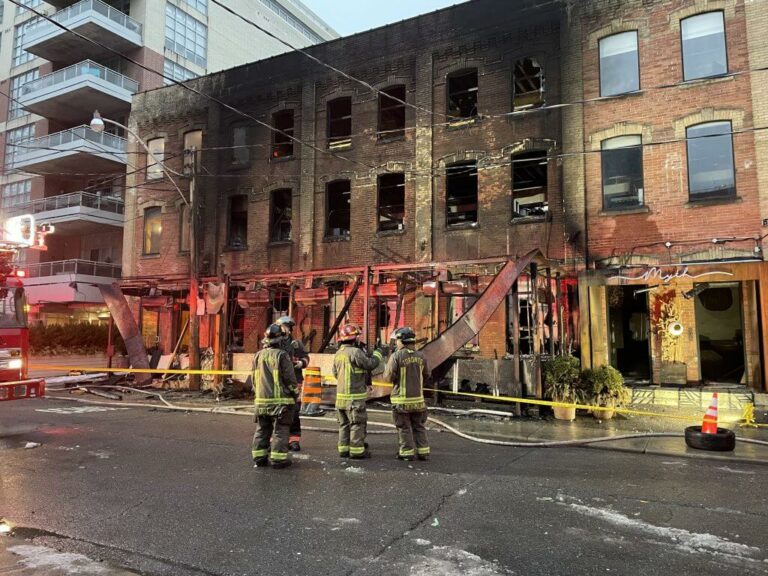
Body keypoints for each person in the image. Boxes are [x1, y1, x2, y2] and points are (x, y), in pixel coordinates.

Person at [251, 324, 299, 469]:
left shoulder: (258, 355)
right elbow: (290, 379)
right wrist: (295, 393)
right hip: (280, 402)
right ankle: (278, 459)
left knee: (262, 429)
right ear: (280, 340)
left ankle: (259, 457)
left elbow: (253, 379)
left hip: (261, 401)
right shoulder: (282, 355)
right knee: (281, 430)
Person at [332, 324, 383, 459]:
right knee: (357, 424)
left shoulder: (338, 354)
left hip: (340, 399)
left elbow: (335, 374)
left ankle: (343, 449)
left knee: (343, 425)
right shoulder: (356, 352)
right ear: (354, 339)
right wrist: (378, 353)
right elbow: (370, 364)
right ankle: (357, 451)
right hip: (354, 399)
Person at [382, 327, 430, 461]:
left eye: (397, 340)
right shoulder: (421, 356)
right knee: (419, 426)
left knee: (404, 428)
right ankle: (423, 452)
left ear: (402, 340)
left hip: (401, 402)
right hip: (419, 401)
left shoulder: (397, 356)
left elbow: (388, 377)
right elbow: (427, 375)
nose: (396, 343)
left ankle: (407, 452)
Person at [276, 316, 310, 451]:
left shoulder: (296, 344)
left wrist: (301, 363)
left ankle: (293, 440)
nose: (285, 330)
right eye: (282, 327)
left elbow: (306, 357)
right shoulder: (274, 343)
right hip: (279, 382)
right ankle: (277, 440)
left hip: (295, 381)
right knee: (278, 412)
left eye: (286, 328)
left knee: (294, 412)